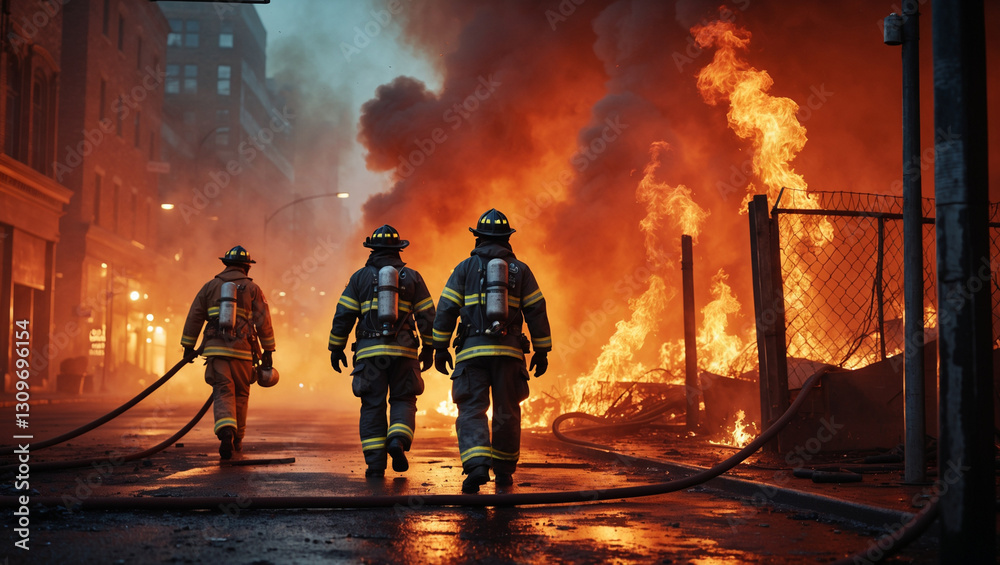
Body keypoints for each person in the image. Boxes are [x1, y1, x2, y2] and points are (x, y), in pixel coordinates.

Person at [432, 209, 552, 493]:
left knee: (472, 409)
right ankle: (504, 471)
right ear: (508, 238)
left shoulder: (464, 268)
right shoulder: (520, 270)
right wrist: (542, 350)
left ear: (477, 238)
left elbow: (446, 308)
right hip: (510, 354)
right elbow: (536, 311)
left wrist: (439, 347)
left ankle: (476, 466)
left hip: (472, 354)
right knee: (507, 411)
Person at [328, 225, 436, 478]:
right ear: (399, 250)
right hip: (405, 352)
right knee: (404, 399)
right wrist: (431, 347)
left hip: (369, 355)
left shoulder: (359, 278)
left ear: (372, 250)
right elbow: (427, 317)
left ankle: (375, 465)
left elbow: (343, 315)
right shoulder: (413, 277)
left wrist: (336, 347)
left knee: (372, 406)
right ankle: (397, 440)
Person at [181, 245, 276, 460]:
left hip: (216, 349)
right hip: (243, 352)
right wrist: (268, 350)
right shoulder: (253, 289)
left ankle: (226, 431)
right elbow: (263, 320)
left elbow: (195, 315)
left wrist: (188, 346)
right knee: (241, 394)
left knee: (223, 390)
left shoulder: (210, 286)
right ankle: (237, 440)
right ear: (246, 268)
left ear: (225, 264)